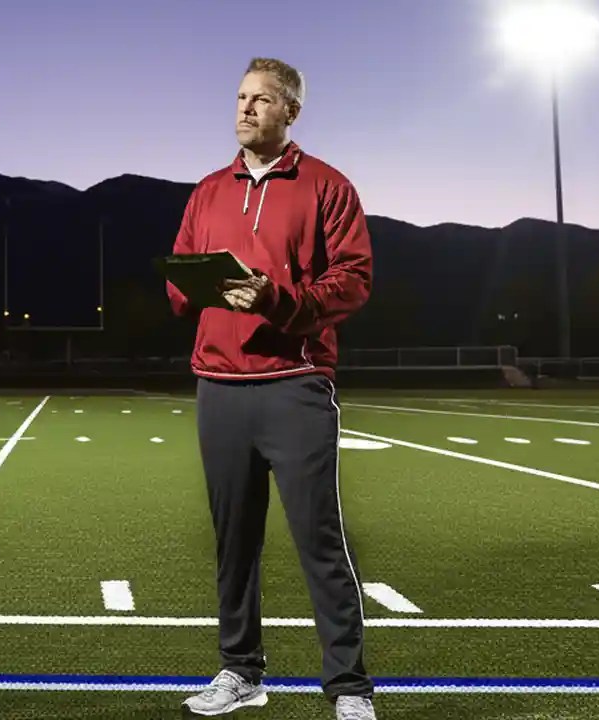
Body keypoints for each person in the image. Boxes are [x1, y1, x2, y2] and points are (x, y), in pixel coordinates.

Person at [166, 57, 376, 719]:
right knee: (234, 542)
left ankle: (349, 688)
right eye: (239, 97)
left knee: (319, 540)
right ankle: (240, 673)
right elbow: (178, 281)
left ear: (291, 111)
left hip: (296, 383)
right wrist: (189, 287)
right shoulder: (206, 191)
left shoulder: (327, 187)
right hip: (219, 386)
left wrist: (275, 299)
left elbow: (353, 280)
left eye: (261, 99)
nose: (245, 108)